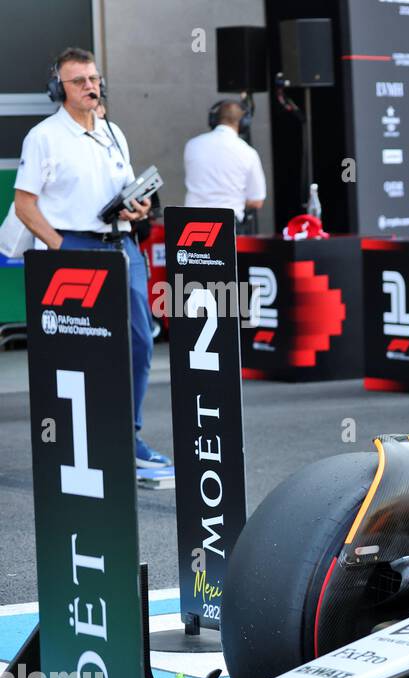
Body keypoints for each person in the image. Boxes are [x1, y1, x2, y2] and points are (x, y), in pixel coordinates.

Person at [13, 47, 169, 469]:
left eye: (95, 79)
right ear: (57, 88)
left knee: (138, 340)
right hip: (74, 248)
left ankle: (127, 436)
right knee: (81, 349)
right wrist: (62, 250)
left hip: (122, 245)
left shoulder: (113, 132)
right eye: (78, 81)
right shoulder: (45, 136)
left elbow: (127, 190)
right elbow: (24, 205)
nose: (90, 87)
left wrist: (140, 210)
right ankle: (79, 442)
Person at [183, 100, 266, 226]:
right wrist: (234, 199)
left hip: (190, 222)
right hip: (227, 225)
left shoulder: (192, 145)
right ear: (243, 123)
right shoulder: (248, 153)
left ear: (214, 119)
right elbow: (257, 201)